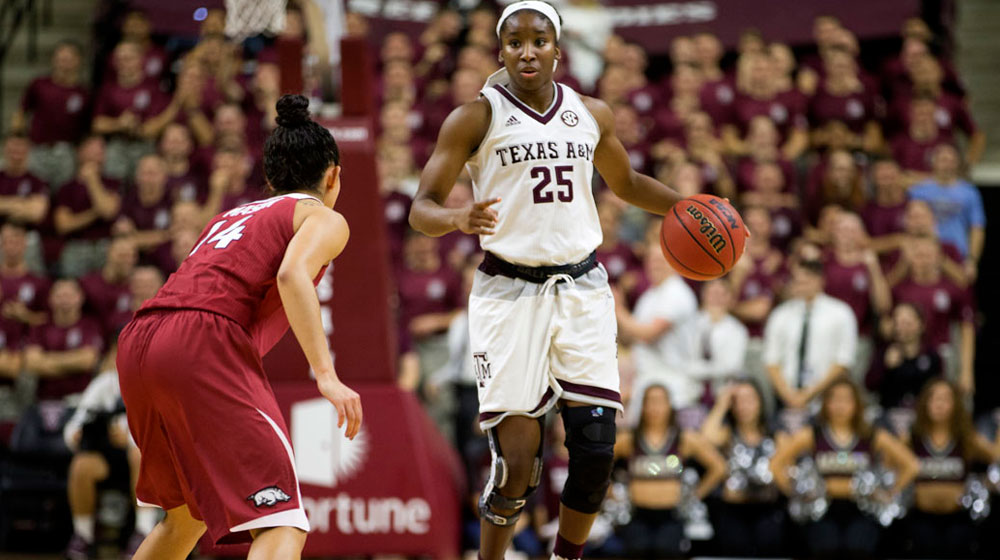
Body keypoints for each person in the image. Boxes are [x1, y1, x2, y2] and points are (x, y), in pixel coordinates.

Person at [407, 3, 686, 559]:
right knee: (517, 465)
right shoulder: (474, 116)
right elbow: (421, 208)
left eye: (538, 41)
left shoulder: (591, 113)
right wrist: (457, 218)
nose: (526, 51)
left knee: (596, 451)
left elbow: (626, 182)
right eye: (514, 43)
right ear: (501, 50)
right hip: (507, 294)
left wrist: (690, 206)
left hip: (581, 289)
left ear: (558, 48)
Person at [116, 94, 361, 559]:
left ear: (270, 179)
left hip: (140, 339)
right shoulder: (323, 216)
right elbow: (292, 275)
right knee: (281, 521)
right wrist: (326, 376)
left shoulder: (229, 216)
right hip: (199, 341)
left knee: (185, 517)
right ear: (333, 176)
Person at [770, 378, 920, 559]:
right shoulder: (813, 434)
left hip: (862, 510)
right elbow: (776, 463)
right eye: (835, 399)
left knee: (859, 545)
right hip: (822, 510)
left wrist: (888, 492)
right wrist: (794, 492)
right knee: (826, 545)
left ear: (857, 404)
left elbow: (911, 465)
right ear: (826, 403)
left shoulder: (871, 435)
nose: (840, 405)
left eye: (846, 400)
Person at [615, 383, 727, 558]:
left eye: (660, 401)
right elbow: (597, 466)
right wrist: (611, 494)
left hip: (672, 517)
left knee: (667, 549)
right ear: (642, 406)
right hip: (637, 516)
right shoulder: (629, 439)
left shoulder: (684, 438)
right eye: (650, 401)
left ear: (670, 405)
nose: (655, 407)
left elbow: (719, 467)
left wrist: (695, 495)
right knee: (636, 549)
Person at [903, 378, 1000, 558]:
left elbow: (995, 456)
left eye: (946, 399)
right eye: (935, 398)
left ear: (955, 405)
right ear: (925, 403)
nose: (940, 404)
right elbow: (887, 463)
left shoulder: (966, 438)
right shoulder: (912, 437)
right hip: (920, 516)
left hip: (958, 518)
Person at [763, 245, 857, 419]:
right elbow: (771, 360)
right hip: (786, 399)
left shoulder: (841, 313)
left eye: (805, 280)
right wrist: (789, 396)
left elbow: (843, 361)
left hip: (826, 400)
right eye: (796, 280)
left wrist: (808, 394)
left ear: (820, 280)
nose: (799, 285)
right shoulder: (780, 315)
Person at [701, 380, 786, 557]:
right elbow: (706, 438)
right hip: (733, 511)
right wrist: (722, 403)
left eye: (749, 399)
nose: (744, 406)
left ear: (760, 402)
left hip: (767, 510)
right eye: (738, 400)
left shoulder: (776, 434)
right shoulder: (727, 434)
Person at [13, 40, 91, 188]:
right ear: (54, 60)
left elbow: (87, 128)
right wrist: (19, 137)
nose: (64, 63)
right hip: (38, 148)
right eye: (61, 59)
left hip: (66, 152)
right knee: (34, 190)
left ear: (78, 61)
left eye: (69, 59)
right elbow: (21, 112)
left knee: (63, 193)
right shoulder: (40, 84)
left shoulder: (83, 93)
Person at [23, 278, 104, 401]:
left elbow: (87, 361)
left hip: (80, 399)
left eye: (69, 295)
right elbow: (32, 363)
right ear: (50, 299)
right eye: (60, 296)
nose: (65, 300)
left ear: (80, 297)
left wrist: (46, 361)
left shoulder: (90, 325)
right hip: (45, 400)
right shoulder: (40, 326)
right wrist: (72, 362)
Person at [908, 143, 985, 268]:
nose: (947, 165)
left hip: (958, 254)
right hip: (924, 255)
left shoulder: (970, 192)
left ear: (958, 163)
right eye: (943, 160)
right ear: (933, 162)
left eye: (952, 161)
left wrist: (972, 260)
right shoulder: (917, 191)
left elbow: (977, 228)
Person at [0, 133, 49, 227]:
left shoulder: (37, 181)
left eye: (20, 151)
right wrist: (23, 203)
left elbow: (36, 213)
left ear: (28, 152)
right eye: (12, 150)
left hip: (28, 236)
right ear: (4, 150)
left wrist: (4, 203)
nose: (16, 156)